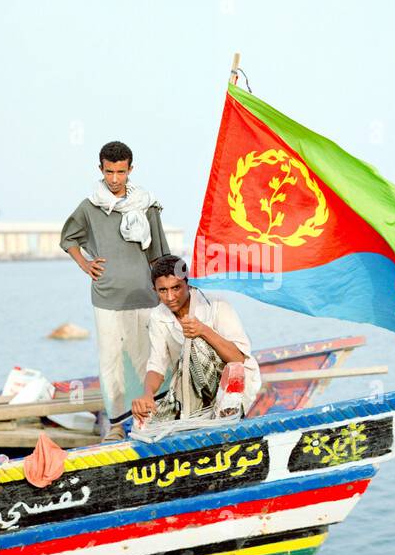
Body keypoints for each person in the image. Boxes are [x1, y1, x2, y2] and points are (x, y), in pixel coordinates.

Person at [60, 141, 172, 438]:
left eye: (120, 172)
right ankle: (117, 425)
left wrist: (170, 293)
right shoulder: (90, 207)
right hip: (107, 298)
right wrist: (85, 264)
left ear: (130, 170)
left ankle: (155, 416)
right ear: (101, 170)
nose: (114, 179)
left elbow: (159, 254)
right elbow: (68, 238)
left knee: (151, 356)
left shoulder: (147, 205)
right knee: (111, 361)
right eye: (109, 172)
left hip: (145, 296)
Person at [132, 256, 261, 425]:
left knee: (196, 344)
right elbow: (157, 365)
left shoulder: (215, 304)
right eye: (163, 290)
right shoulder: (158, 315)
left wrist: (203, 330)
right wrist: (147, 395)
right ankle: (197, 415)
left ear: (189, 284)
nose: (170, 297)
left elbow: (238, 359)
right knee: (145, 420)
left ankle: (223, 409)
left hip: (233, 384)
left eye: (176, 288)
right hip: (191, 388)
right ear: (154, 290)